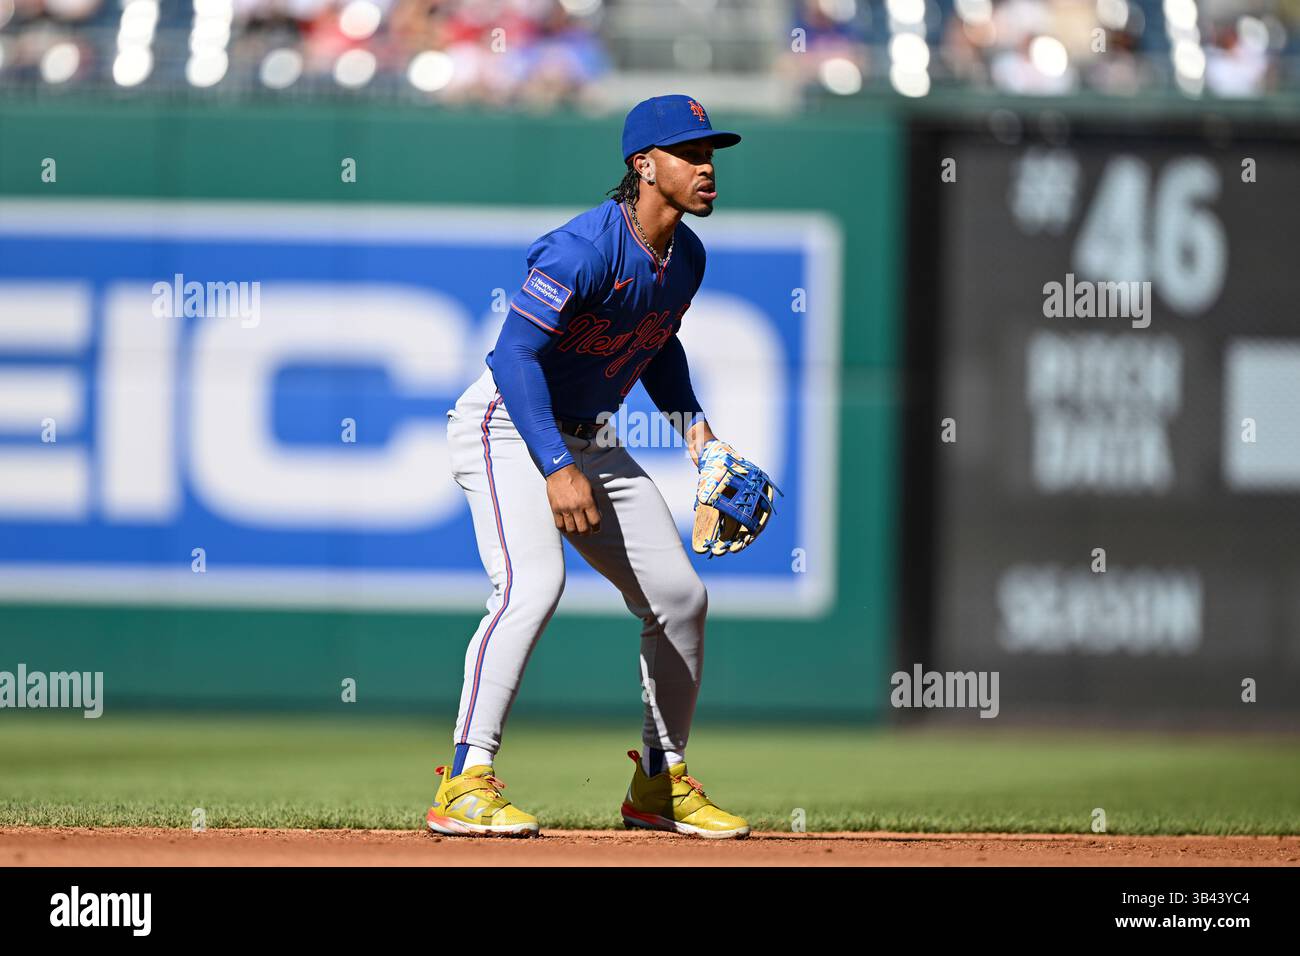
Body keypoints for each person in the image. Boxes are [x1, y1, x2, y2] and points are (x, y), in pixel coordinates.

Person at [427, 94, 751, 839]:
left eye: (711, 155)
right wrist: (553, 464)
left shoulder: (685, 259)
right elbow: (512, 356)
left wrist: (697, 435)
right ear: (644, 165)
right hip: (507, 426)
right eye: (690, 154)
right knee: (533, 584)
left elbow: (656, 343)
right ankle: (466, 780)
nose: (707, 168)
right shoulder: (582, 248)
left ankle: (658, 785)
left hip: (588, 437)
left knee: (680, 598)